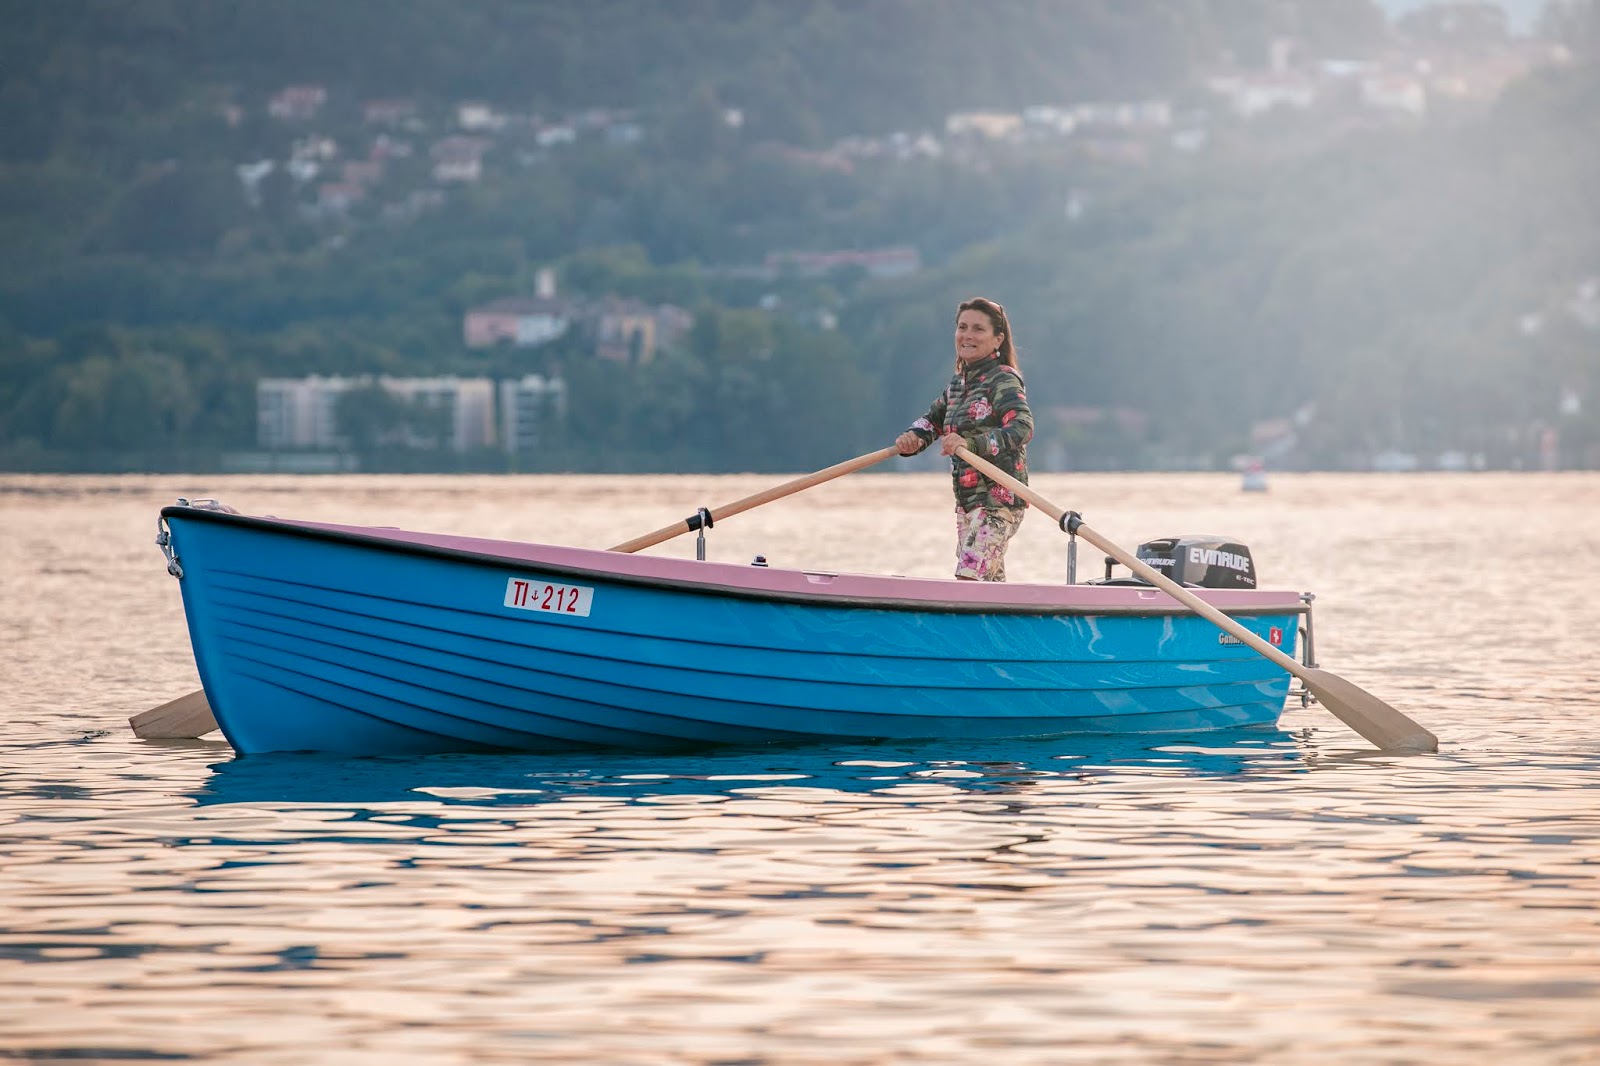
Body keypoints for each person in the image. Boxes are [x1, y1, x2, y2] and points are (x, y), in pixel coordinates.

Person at [895, 296, 1034, 581]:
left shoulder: (1003, 379)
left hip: (998, 502)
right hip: (968, 504)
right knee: (989, 586)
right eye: (962, 327)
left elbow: (1022, 427)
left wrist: (970, 445)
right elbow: (931, 422)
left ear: (998, 340)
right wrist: (912, 439)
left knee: (969, 577)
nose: (967, 335)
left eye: (978, 329)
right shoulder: (957, 385)